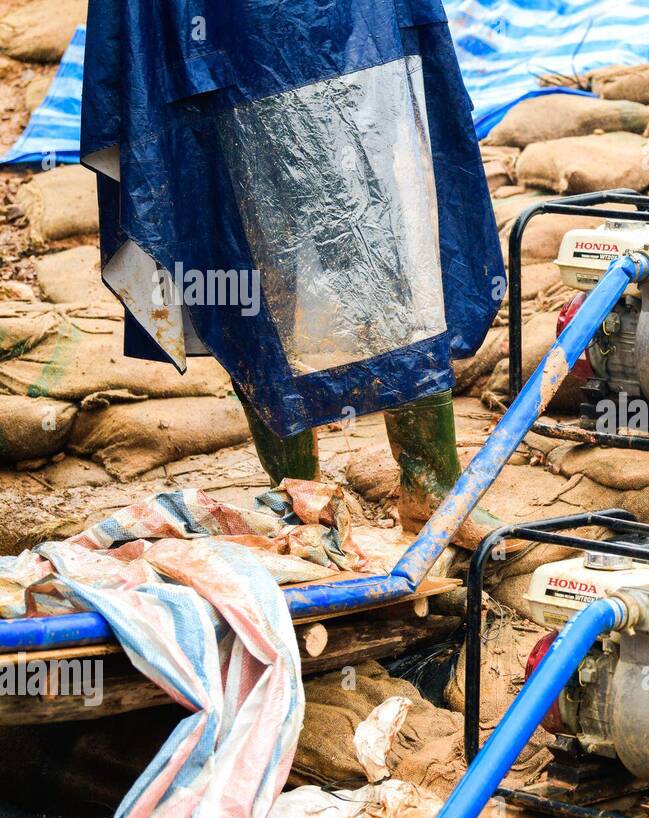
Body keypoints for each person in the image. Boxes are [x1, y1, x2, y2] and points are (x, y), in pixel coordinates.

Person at [81, 0, 505, 538]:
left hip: (357, 26)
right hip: (228, 34)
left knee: (398, 239)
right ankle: (302, 497)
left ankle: (432, 486)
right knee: (248, 252)